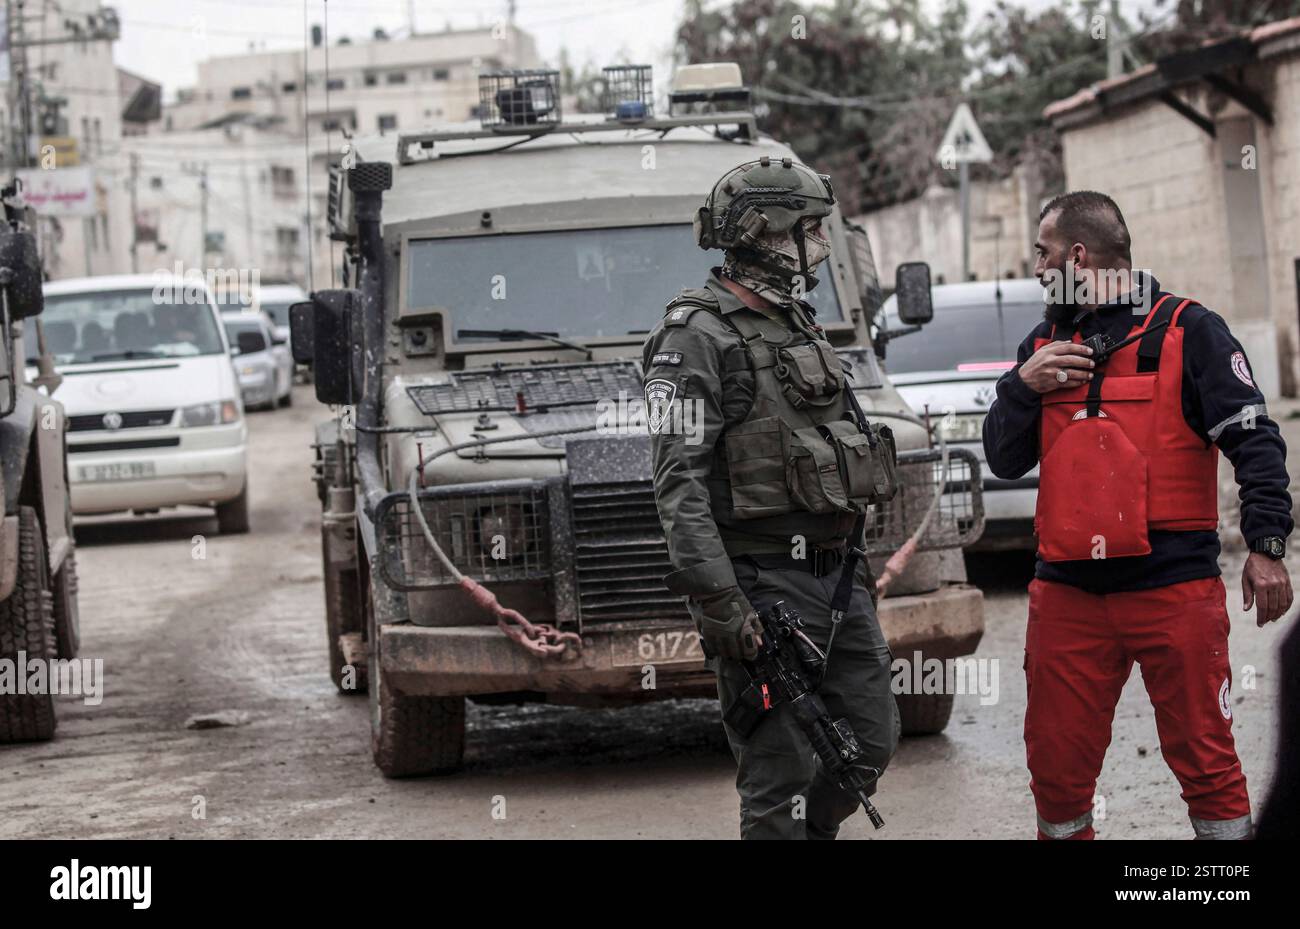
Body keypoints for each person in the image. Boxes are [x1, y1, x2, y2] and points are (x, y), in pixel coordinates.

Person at [983, 190, 1293, 839]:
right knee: (1057, 774)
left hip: (1174, 591)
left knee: (1207, 764)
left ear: (1076, 256)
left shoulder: (1191, 330)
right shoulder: (1043, 345)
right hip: (1067, 598)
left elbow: (1255, 440)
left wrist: (1266, 545)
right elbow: (1004, 460)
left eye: (1042, 253)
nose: (1036, 268)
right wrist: (1021, 386)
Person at [642, 156, 898, 840]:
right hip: (762, 586)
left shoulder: (796, 320)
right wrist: (721, 601)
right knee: (778, 774)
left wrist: (858, 566)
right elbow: (678, 483)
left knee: (870, 742)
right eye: (810, 229)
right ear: (766, 233)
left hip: (837, 578)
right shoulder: (693, 337)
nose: (820, 242)